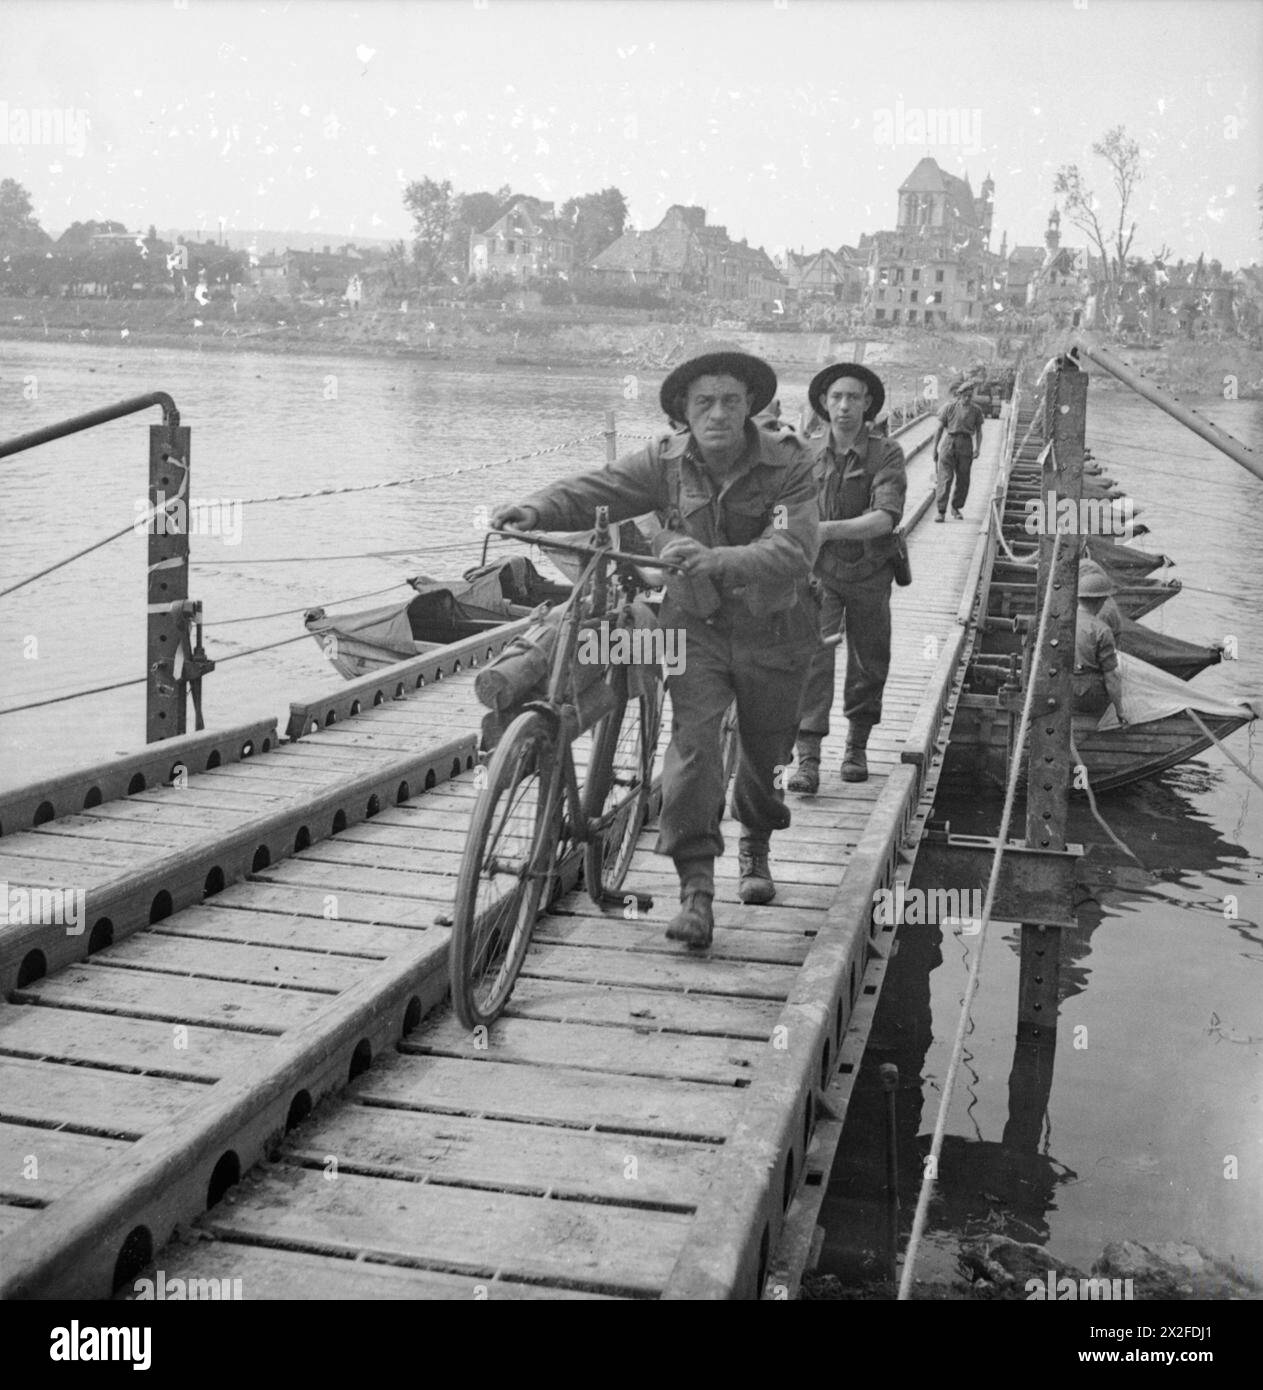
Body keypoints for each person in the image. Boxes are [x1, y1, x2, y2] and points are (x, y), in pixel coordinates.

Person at [490, 347, 820, 950]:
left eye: (730, 401)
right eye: (704, 404)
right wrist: (534, 506)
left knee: (764, 753)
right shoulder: (664, 463)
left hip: (776, 631)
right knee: (693, 751)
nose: (718, 413)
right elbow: (603, 487)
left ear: (751, 407)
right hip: (694, 626)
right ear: (684, 414)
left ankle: (756, 839)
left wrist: (715, 558)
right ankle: (696, 892)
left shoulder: (789, 466)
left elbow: (795, 549)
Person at [787, 362, 907, 792]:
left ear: (867, 403)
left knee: (869, 661)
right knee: (813, 659)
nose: (843, 406)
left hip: (870, 572)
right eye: (836, 397)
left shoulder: (885, 453)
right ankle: (808, 758)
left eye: (853, 397)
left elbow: (885, 518)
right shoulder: (803, 452)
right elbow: (784, 506)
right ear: (823, 403)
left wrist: (824, 530)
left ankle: (857, 747)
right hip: (820, 575)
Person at [1074, 566, 1128, 724]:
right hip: (1086, 695)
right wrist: (1120, 710)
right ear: (1101, 601)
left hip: (1059, 688)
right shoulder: (1102, 630)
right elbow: (1111, 677)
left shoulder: (1062, 621)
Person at [932, 380, 984, 521]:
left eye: (970, 396)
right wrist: (935, 448)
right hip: (949, 443)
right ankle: (941, 511)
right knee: (945, 478)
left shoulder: (976, 410)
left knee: (963, 479)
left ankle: (956, 508)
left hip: (966, 444)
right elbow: (939, 429)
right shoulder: (949, 408)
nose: (967, 398)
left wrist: (978, 448)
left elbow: (979, 431)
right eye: (965, 395)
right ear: (959, 395)